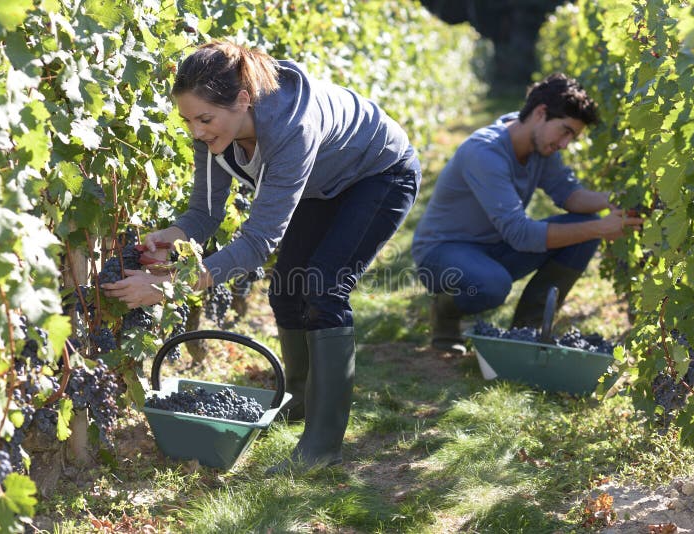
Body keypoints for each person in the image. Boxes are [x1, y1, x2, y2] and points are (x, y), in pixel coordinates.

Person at [103, 41, 421, 472]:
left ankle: (321, 447)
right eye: (188, 120)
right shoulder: (214, 129)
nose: (196, 130)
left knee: (323, 289)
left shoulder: (294, 128)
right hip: (320, 185)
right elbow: (203, 214)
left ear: (243, 100)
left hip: (379, 174)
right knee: (287, 293)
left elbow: (258, 243)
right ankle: (301, 404)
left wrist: (168, 288)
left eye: (204, 119)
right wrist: (169, 238)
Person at [411, 73, 642, 353]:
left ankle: (526, 334)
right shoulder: (485, 153)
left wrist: (616, 200)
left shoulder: (540, 145)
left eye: (573, 136)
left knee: (584, 228)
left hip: (494, 247)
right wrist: (600, 228)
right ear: (541, 113)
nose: (565, 144)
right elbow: (520, 234)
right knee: (492, 285)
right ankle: (446, 311)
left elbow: (570, 195)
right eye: (565, 131)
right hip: (442, 253)